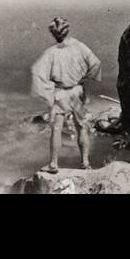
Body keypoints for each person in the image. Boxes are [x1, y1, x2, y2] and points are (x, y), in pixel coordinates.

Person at [30, 16, 102, 173]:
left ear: (55, 34)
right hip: (77, 91)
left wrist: (47, 89)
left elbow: (36, 71)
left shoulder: (51, 52)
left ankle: (54, 164)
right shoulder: (79, 46)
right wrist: (84, 78)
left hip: (60, 93)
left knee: (56, 128)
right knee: (81, 127)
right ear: (67, 30)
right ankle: (85, 163)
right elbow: (96, 64)